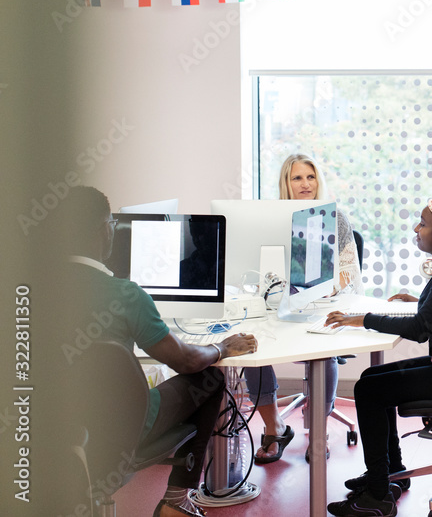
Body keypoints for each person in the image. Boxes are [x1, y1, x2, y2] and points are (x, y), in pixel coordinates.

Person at [62, 186, 258, 517]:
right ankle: (176, 500)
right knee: (210, 378)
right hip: (121, 426)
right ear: (104, 230)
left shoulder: (29, 292)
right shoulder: (126, 295)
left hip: (53, 425)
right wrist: (222, 346)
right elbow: (186, 361)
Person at [322, 185, 432, 517]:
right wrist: (420, 302)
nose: (416, 228)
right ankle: (392, 472)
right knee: (371, 378)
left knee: (369, 390)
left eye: (423, 223)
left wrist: (362, 319)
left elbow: (420, 330)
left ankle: (378, 496)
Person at [244, 153, 363, 463]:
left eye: (310, 177)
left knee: (323, 353)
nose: (305, 183)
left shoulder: (335, 218)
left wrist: (324, 288)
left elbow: (350, 270)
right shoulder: (269, 218)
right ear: (286, 183)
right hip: (276, 306)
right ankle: (275, 427)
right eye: (297, 177)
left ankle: (319, 431)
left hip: (322, 303)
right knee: (249, 346)